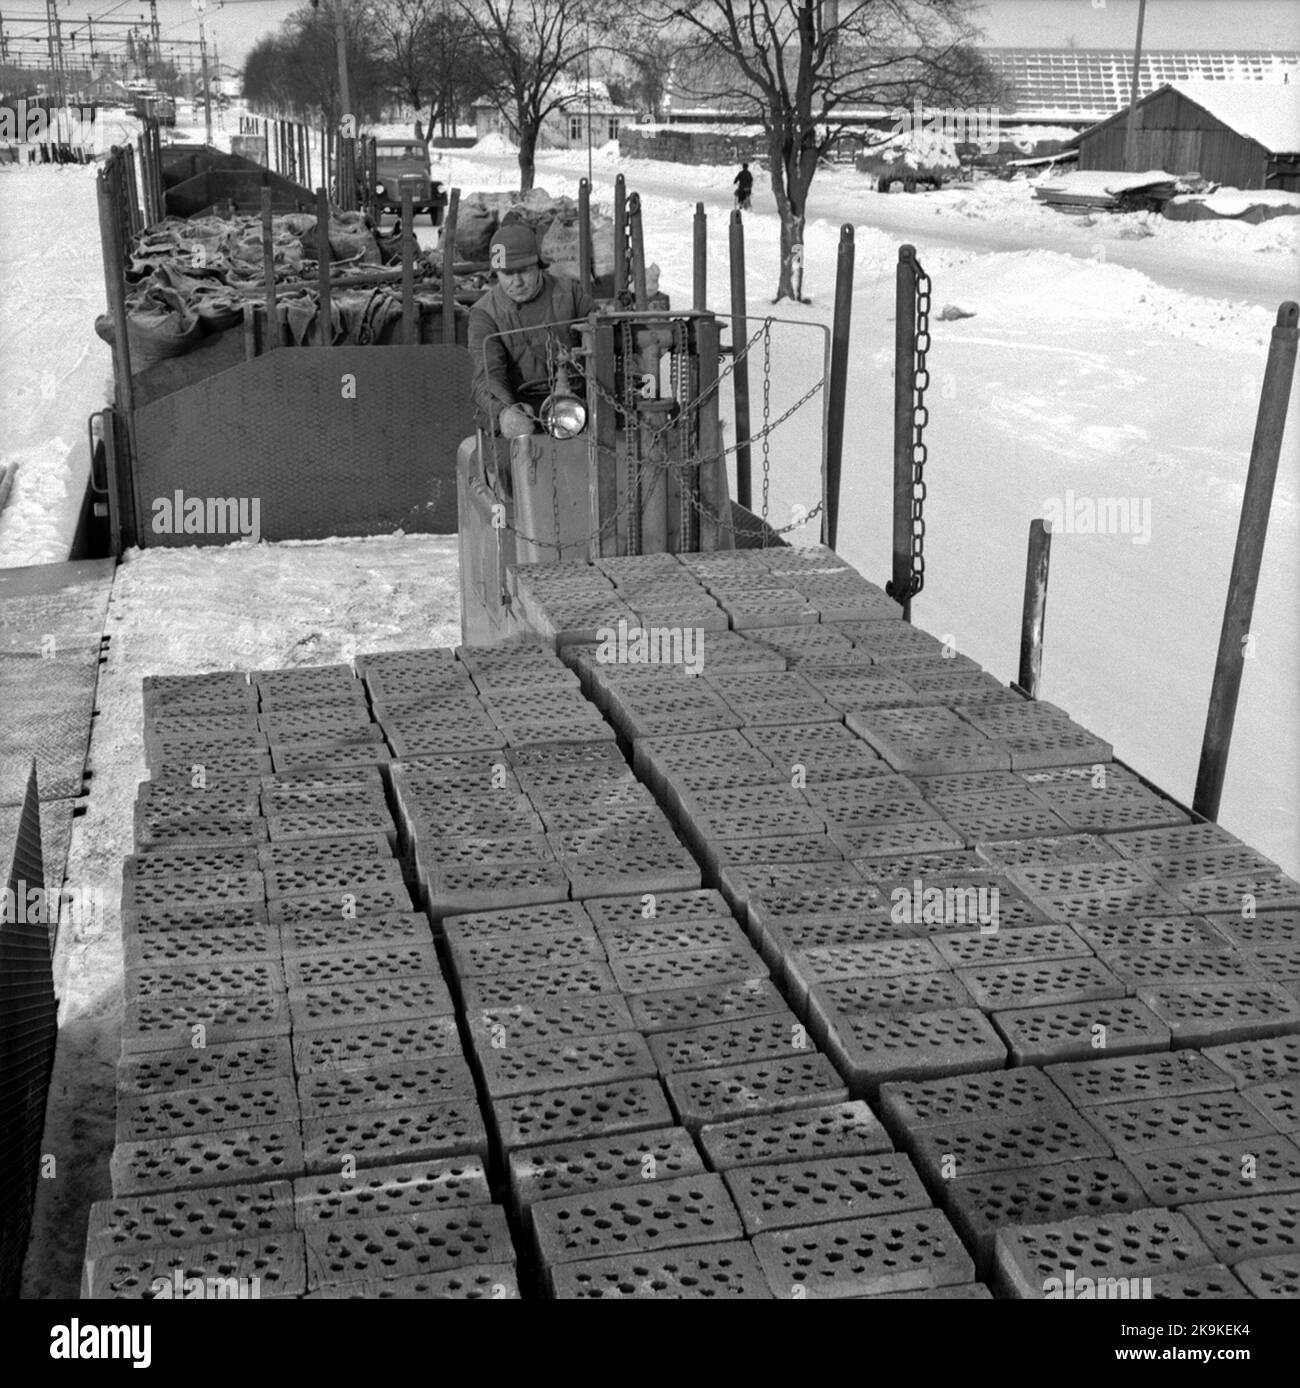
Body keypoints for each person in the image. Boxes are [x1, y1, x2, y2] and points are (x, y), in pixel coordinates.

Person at [468, 223, 595, 439]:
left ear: (538, 265)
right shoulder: (484, 314)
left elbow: (603, 339)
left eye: (524, 271)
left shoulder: (571, 294)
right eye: (507, 273)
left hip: (577, 405)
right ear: (496, 273)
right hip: (523, 408)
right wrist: (506, 413)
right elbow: (488, 375)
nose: (516, 282)